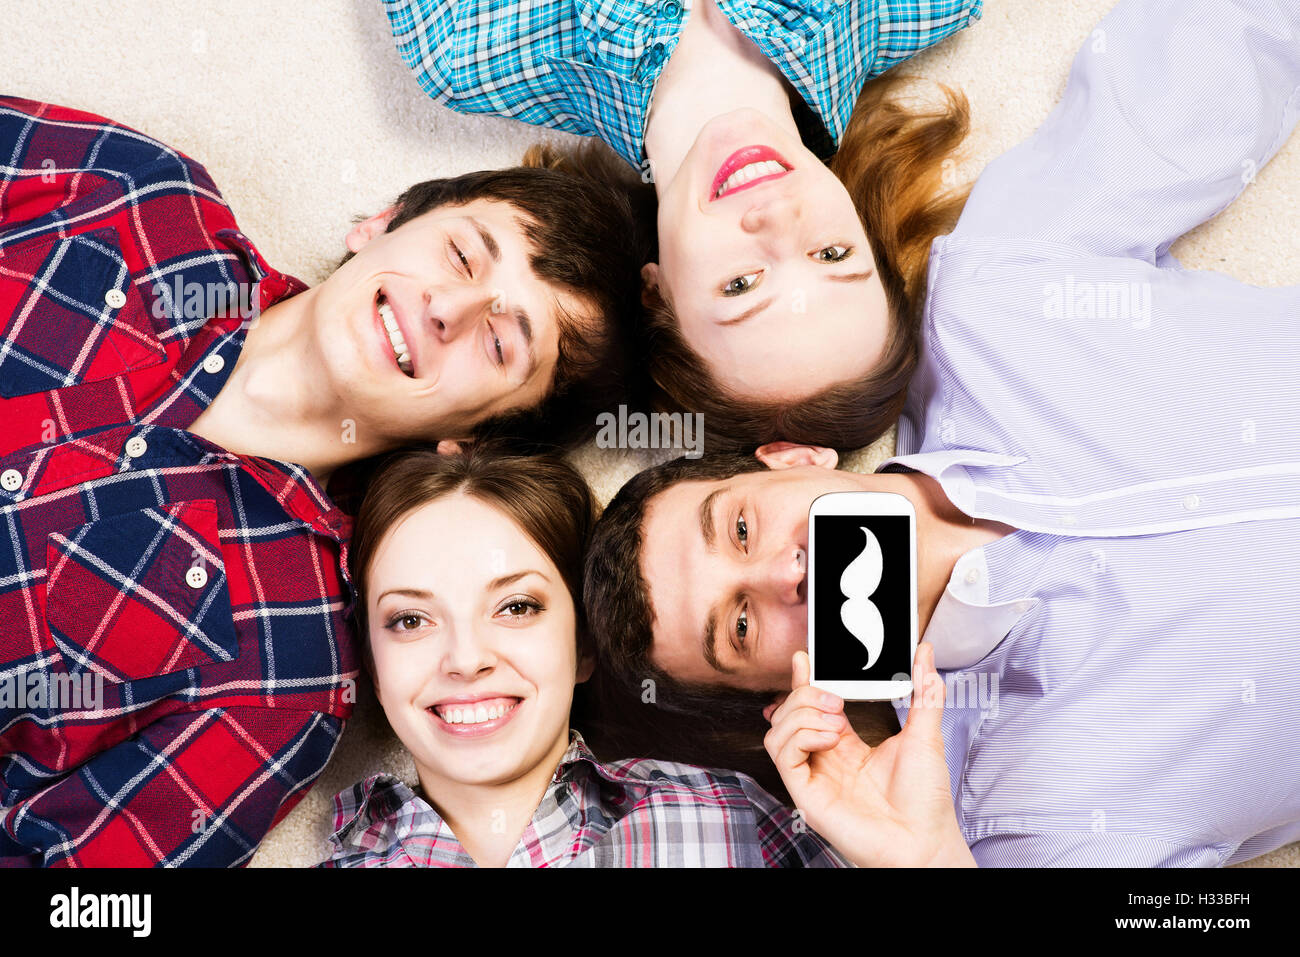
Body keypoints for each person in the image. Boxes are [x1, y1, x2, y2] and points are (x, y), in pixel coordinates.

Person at [0, 96, 641, 866]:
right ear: (384, 219)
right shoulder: (139, 193)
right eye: (464, 254)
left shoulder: (288, 672)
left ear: (472, 438)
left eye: (501, 344)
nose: (447, 306)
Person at [583, 438, 1300, 866]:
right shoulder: (1018, 822)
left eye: (741, 527)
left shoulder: (985, 296)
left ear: (791, 454)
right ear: (781, 697)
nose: (782, 574)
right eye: (739, 626)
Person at [381, 0, 979, 449]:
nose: (775, 217)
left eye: (741, 285)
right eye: (831, 254)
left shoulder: (466, 52)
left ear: (655, 291)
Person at [319, 445, 880, 867]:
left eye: (516, 607)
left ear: (584, 645)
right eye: (410, 620)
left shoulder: (726, 819)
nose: (465, 659)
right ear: (369, 658)